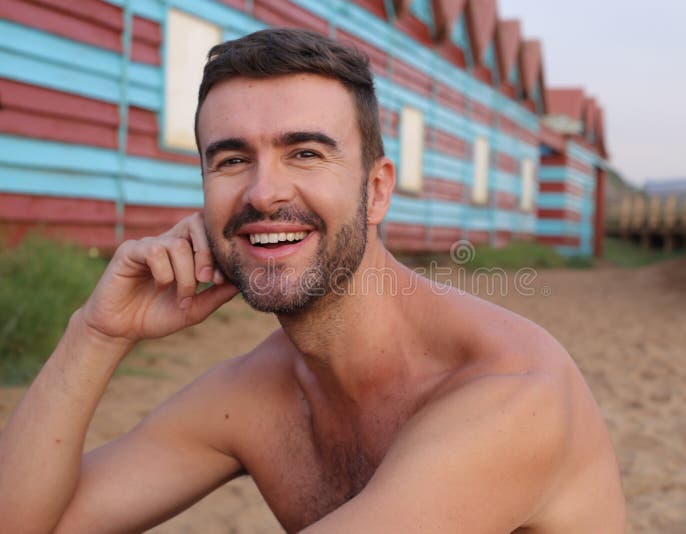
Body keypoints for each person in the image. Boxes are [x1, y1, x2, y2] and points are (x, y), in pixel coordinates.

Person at [0, 29, 625, 533]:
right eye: (232, 159)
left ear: (376, 190)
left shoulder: (513, 395)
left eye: (306, 153)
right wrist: (96, 332)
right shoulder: (256, 394)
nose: (264, 192)